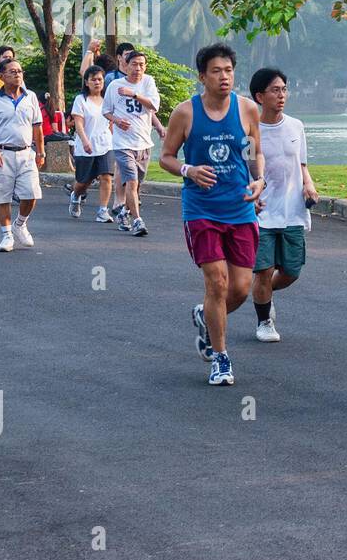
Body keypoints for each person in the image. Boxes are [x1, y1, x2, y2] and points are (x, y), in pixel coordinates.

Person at [159, 43, 265, 386]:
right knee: (217, 282)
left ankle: (204, 316)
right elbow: (166, 157)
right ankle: (221, 358)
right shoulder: (185, 113)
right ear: (202, 76)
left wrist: (259, 180)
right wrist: (188, 170)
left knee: (241, 288)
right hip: (202, 209)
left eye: (229, 70)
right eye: (216, 71)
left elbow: (254, 153)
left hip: (240, 207)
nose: (224, 77)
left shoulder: (248, 110)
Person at [249, 67, 318, 343]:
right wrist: (249, 194)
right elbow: (245, 167)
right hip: (262, 210)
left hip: (292, 210)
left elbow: (301, 163)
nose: (281, 95)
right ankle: (264, 320)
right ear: (259, 96)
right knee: (263, 270)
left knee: (291, 271)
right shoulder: (249, 130)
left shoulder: (296, 126)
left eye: (284, 89)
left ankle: (263, 295)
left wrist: (309, 184)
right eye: (275, 90)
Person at [0, 58, 45, 252]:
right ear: (1, 76)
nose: (17, 74)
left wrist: (40, 152)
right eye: (12, 71)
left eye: (19, 71)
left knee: (31, 193)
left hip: (26, 153)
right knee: (2, 196)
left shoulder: (30, 97)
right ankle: (6, 235)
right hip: (2, 152)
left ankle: (20, 224)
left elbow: (37, 127)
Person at [102, 50, 160, 236]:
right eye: (134, 64)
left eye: (142, 64)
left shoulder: (148, 82)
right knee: (132, 183)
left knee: (137, 185)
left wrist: (133, 94)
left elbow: (153, 106)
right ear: (126, 65)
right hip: (122, 144)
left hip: (143, 143)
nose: (138, 68)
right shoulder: (115, 86)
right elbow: (106, 111)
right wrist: (117, 121)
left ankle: (124, 212)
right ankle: (138, 221)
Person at [68, 65, 114, 221]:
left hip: (106, 145)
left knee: (106, 176)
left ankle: (103, 210)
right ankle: (75, 196)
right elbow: (78, 123)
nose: (97, 82)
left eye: (100, 79)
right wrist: (85, 141)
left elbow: (111, 122)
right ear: (86, 82)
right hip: (85, 146)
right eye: (93, 79)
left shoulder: (107, 100)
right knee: (83, 182)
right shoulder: (81, 100)